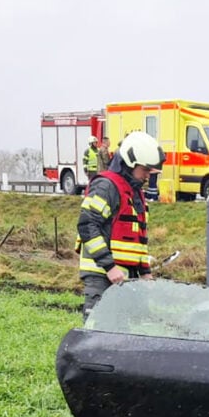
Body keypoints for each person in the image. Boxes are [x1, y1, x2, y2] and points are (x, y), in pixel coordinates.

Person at [76, 131, 164, 320]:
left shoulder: (134, 192)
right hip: (102, 274)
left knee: (120, 335)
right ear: (130, 163)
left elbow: (138, 240)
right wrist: (109, 267)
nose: (148, 176)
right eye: (145, 170)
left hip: (123, 277)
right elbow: (87, 225)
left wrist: (145, 272)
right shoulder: (106, 187)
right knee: (97, 333)